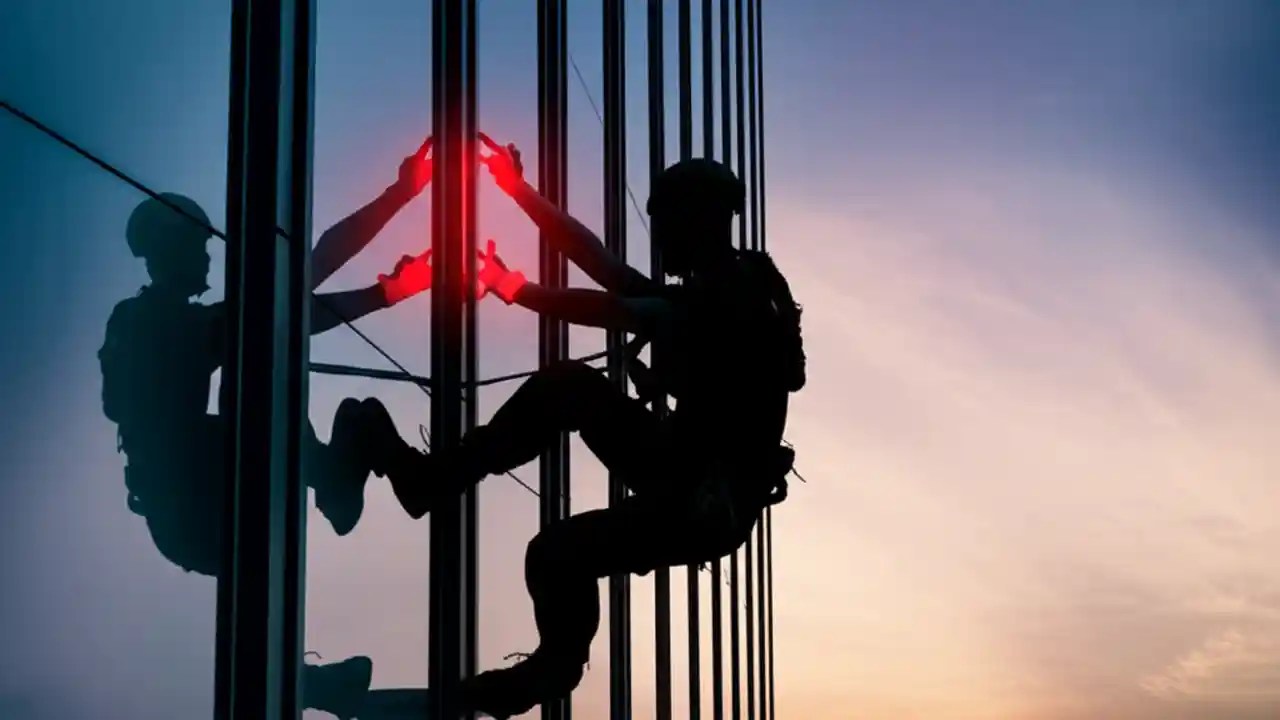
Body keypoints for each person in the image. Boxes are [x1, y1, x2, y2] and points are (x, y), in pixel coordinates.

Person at [352, 134, 806, 718]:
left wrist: (517, 289)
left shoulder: (733, 295)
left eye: (664, 220)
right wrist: (520, 193)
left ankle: (540, 673)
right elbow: (604, 267)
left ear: (699, 219)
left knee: (556, 552)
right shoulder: (729, 284)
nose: (659, 235)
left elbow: (621, 309)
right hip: (685, 471)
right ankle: (432, 486)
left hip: (699, 499)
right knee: (566, 399)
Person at [97, 138, 439, 719]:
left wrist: (386, 286)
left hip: (195, 505)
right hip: (199, 505)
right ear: (170, 250)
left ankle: (303, 680)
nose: (210, 258)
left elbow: (285, 305)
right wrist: (398, 209)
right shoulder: (155, 324)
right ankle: (334, 482)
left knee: (268, 366)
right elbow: (300, 282)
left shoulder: (169, 324)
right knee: (258, 373)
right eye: (200, 246)